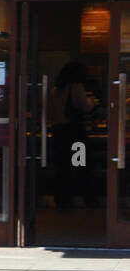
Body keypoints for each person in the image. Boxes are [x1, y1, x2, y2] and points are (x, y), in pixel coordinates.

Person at [49, 60, 98, 209]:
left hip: (58, 131)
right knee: (81, 164)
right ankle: (87, 198)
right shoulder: (76, 87)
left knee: (62, 167)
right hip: (74, 132)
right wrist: (94, 101)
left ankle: (63, 199)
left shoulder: (55, 89)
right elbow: (86, 107)